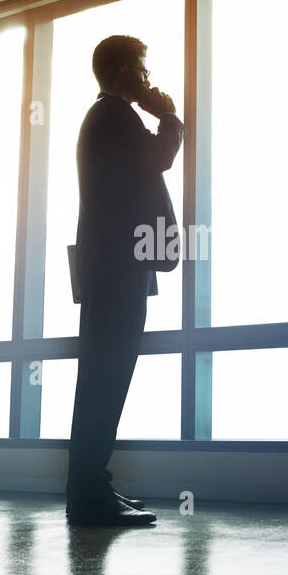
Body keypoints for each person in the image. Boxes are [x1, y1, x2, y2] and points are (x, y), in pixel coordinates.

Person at [65, 35, 182, 527]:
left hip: (112, 271)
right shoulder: (114, 115)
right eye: (142, 70)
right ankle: (90, 496)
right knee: (104, 383)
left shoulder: (108, 117)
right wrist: (170, 116)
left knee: (102, 382)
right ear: (124, 73)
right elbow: (158, 158)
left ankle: (93, 489)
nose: (148, 80)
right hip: (116, 274)